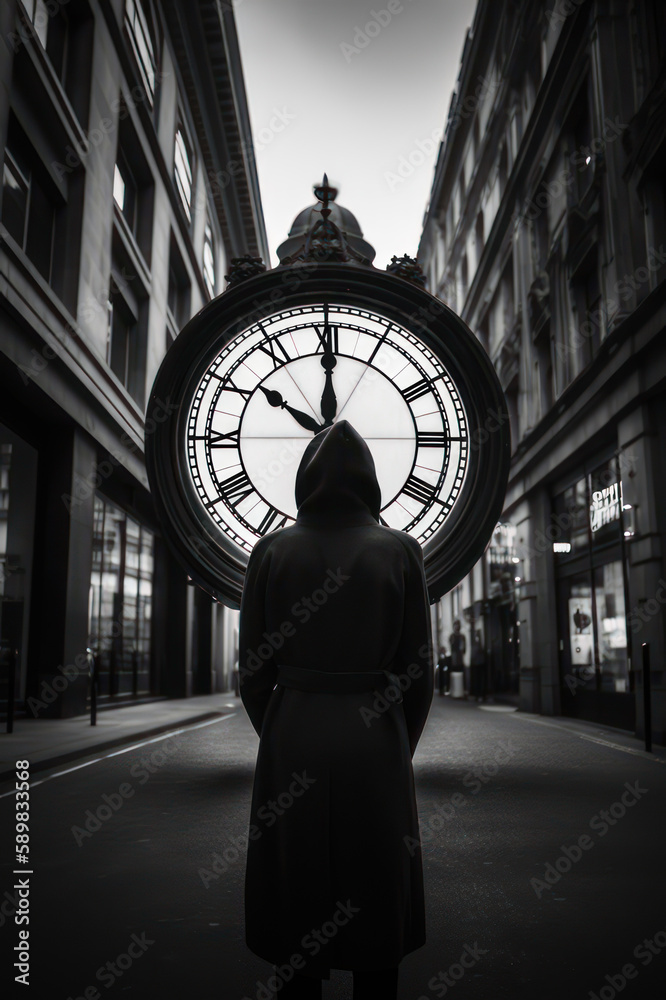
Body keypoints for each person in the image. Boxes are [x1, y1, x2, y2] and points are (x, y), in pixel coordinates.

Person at [239, 420, 434, 1000]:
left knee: (293, 885)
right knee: (378, 883)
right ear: (369, 481)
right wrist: (398, 738)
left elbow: (254, 673)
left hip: (293, 728)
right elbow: (418, 671)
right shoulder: (400, 551)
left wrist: (280, 728)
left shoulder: (270, 551)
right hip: (376, 735)